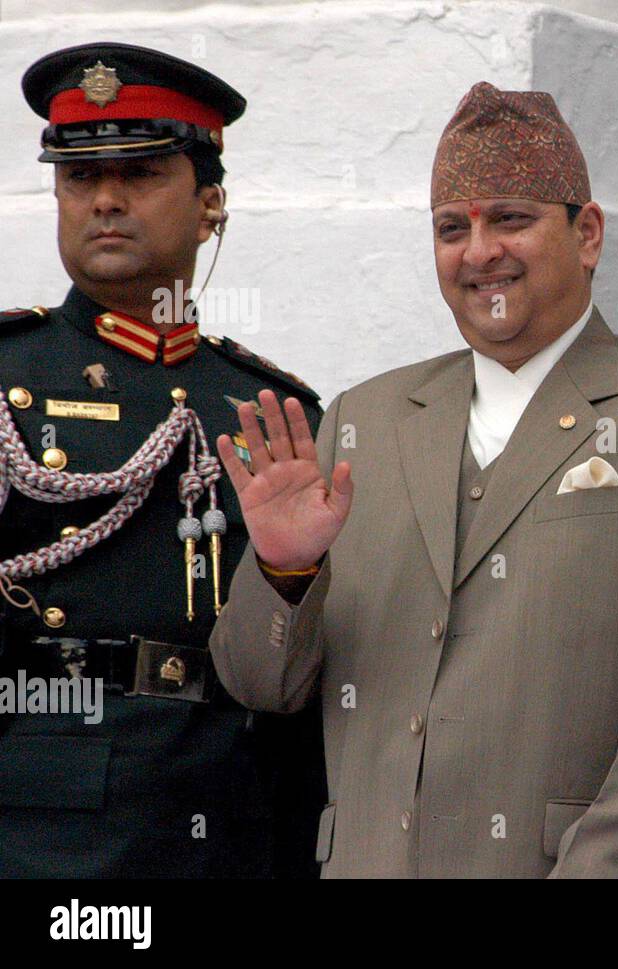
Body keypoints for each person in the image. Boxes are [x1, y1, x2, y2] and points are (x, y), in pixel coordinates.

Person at [208, 82, 618, 877]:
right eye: (451, 228)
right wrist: (284, 573)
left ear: (589, 234)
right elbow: (262, 685)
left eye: (511, 218)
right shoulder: (360, 420)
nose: (478, 251)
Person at [0, 42, 326, 877]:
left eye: (141, 173)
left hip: (232, 811)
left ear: (211, 202)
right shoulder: (11, 377)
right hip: (46, 821)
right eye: (79, 178)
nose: (105, 200)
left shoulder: (271, 408)